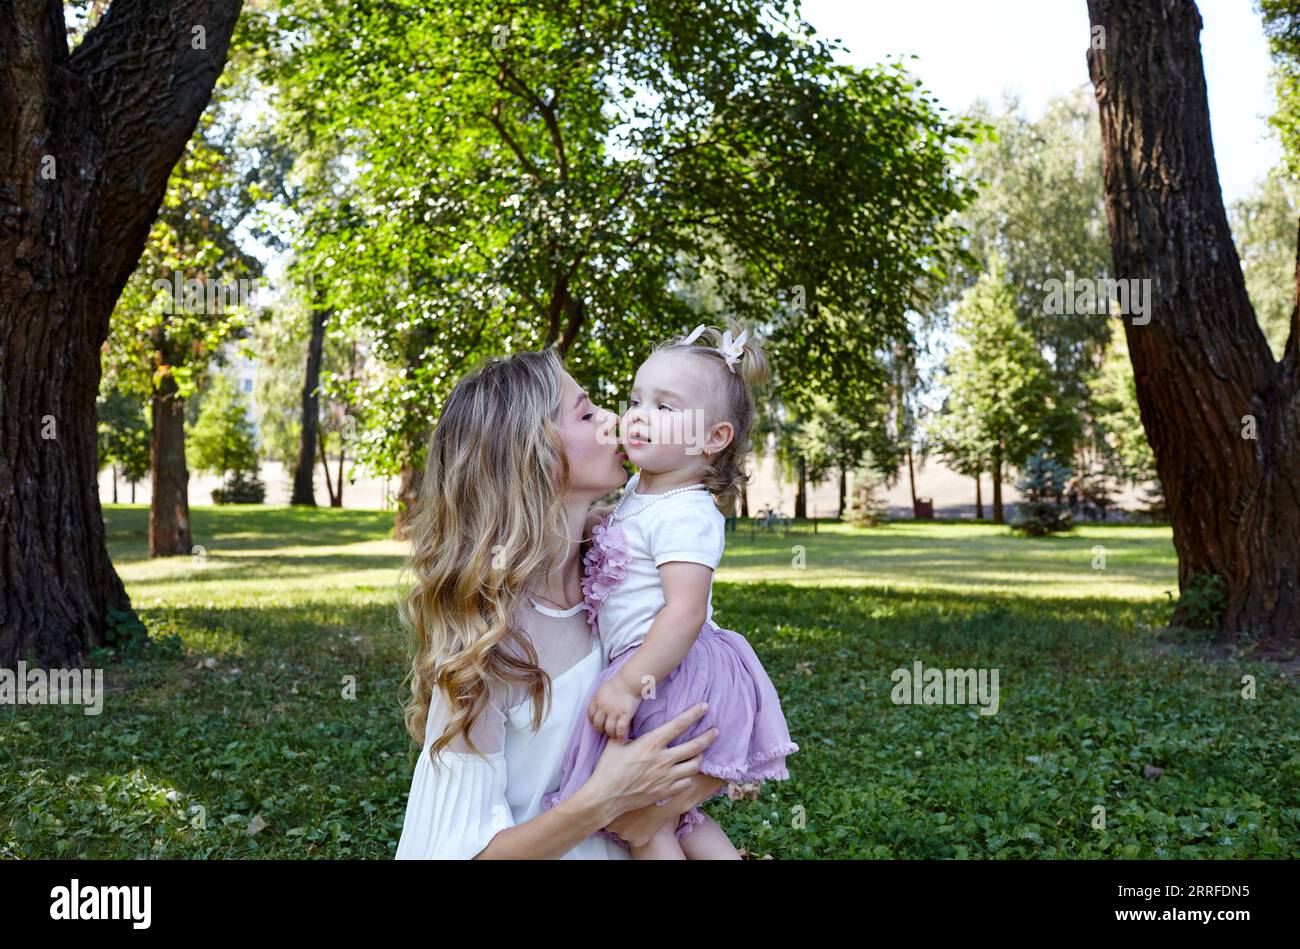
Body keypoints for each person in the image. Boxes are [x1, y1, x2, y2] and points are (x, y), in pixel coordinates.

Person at [394, 348, 725, 859]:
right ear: (532, 453)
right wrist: (602, 800)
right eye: (588, 413)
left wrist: (665, 798)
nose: (617, 419)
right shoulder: (490, 641)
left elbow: (701, 744)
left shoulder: (629, 590)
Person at [540, 322, 800, 859]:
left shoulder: (688, 513)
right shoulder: (643, 488)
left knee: (640, 820)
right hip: (663, 666)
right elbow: (621, 535)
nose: (638, 415)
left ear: (713, 438)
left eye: (665, 407)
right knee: (671, 812)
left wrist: (631, 685)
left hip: (668, 669)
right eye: (636, 399)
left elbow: (684, 612)